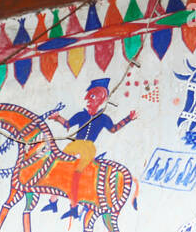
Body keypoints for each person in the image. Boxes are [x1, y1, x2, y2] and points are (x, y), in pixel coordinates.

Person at [48, 77, 137, 217]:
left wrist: (128, 119)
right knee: (60, 166)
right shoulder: (81, 115)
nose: (90, 100)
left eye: (93, 97)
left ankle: (73, 206)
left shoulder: (103, 118)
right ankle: (53, 201)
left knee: (77, 173)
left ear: (101, 99)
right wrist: (58, 117)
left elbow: (113, 129)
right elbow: (67, 124)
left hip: (88, 148)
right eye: (89, 97)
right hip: (74, 145)